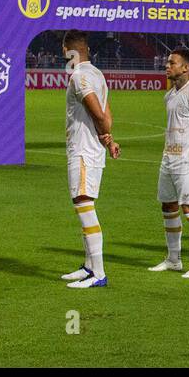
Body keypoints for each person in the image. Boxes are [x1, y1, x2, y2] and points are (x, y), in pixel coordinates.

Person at [148, 48, 189, 278]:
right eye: (167, 62)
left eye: (172, 63)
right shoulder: (170, 95)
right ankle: (173, 259)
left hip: (188, 161)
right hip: (168, 159)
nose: (167, 66)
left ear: (185, 68)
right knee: (168, 206)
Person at [59, 30, 118, 289]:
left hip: (83, 150)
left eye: (64, 53)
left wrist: (104, 132)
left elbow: (100, 115)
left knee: (83, 205)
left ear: (71, 52)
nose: (63, 57)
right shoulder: (97, 74)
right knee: (85, 203)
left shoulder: (80, 76)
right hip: (93, 149)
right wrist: (108, 139)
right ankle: (88, 266)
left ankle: (99, 274)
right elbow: (107, 117)